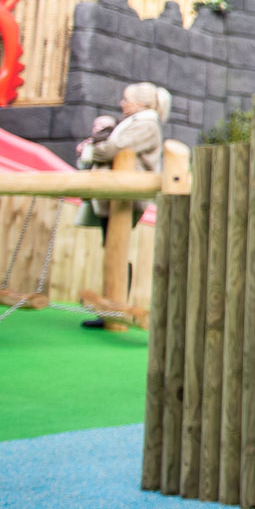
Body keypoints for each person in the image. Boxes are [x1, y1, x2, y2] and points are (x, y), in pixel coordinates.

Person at [76, 82, 170, 328]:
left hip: (126, 196)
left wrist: (90, 151)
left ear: (141, 103)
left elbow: (117, 148)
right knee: (111, 246)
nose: (122, 103)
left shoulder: (147, 125)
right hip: (115, 195)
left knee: (117, 247)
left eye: (126, 99)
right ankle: (111, 306)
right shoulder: (135, 122)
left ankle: (116, 309)